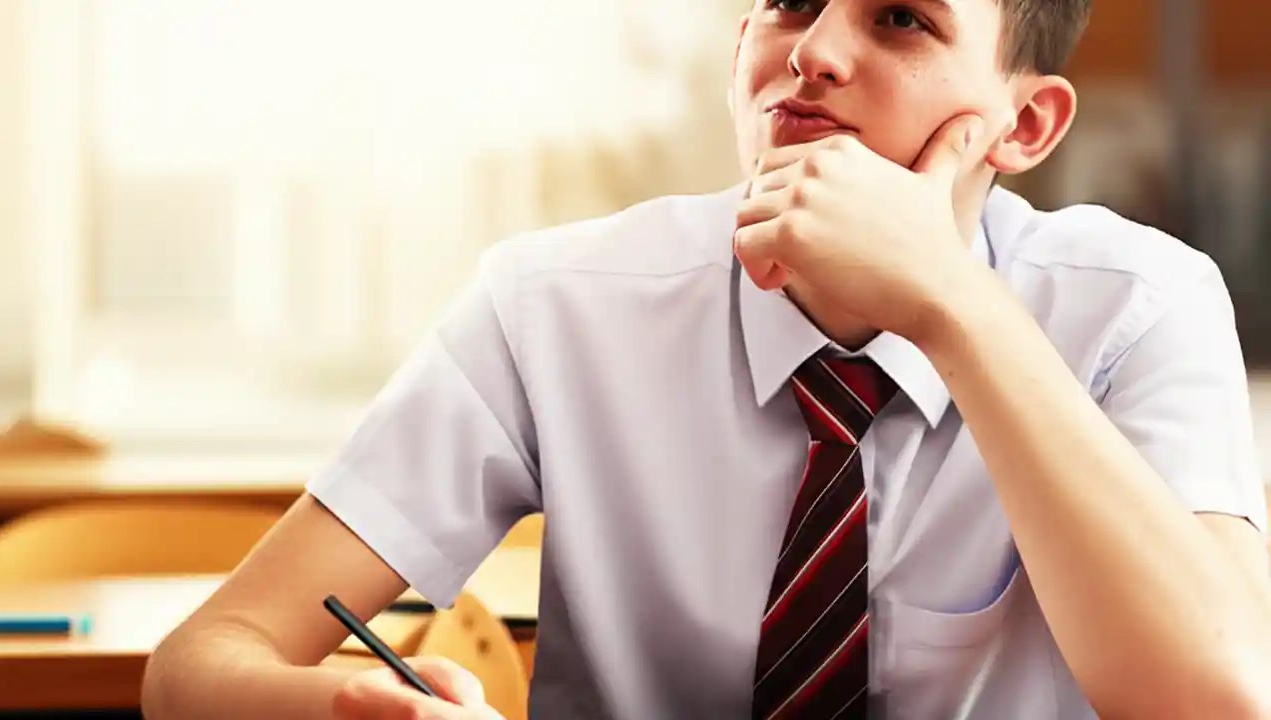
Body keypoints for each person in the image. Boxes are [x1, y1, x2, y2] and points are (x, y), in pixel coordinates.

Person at [142, 0, 1271, 718]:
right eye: (787, 4)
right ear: (741, 50)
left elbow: (1211, 700)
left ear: (1022, 128)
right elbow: (202, 663)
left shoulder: (1138, 305)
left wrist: (949, 305)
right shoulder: (553, 305)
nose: (815, 51)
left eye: (900, 21)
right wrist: (349, 709)